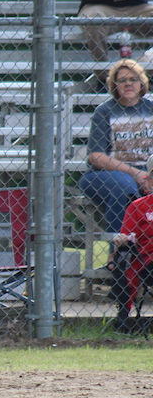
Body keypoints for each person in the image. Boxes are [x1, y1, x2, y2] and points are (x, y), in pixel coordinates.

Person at [79, 59, 153, 233]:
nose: (128, 84)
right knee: (125, 187)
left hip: (147, 171)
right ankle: (119, 251)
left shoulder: (151, 109)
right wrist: (135, 173)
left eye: (133, 79)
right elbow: (96, 156)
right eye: (122, 80)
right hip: (106, 174)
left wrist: (150, 176)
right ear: (114, 85)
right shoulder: (104, 111)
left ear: (141, 82)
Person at [110, 154, 153, 333]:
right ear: (149, 181)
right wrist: (122, 240)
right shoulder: (138, 206)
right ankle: (123, 319)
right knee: (125, 258)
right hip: (146, 262)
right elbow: (127, 236)